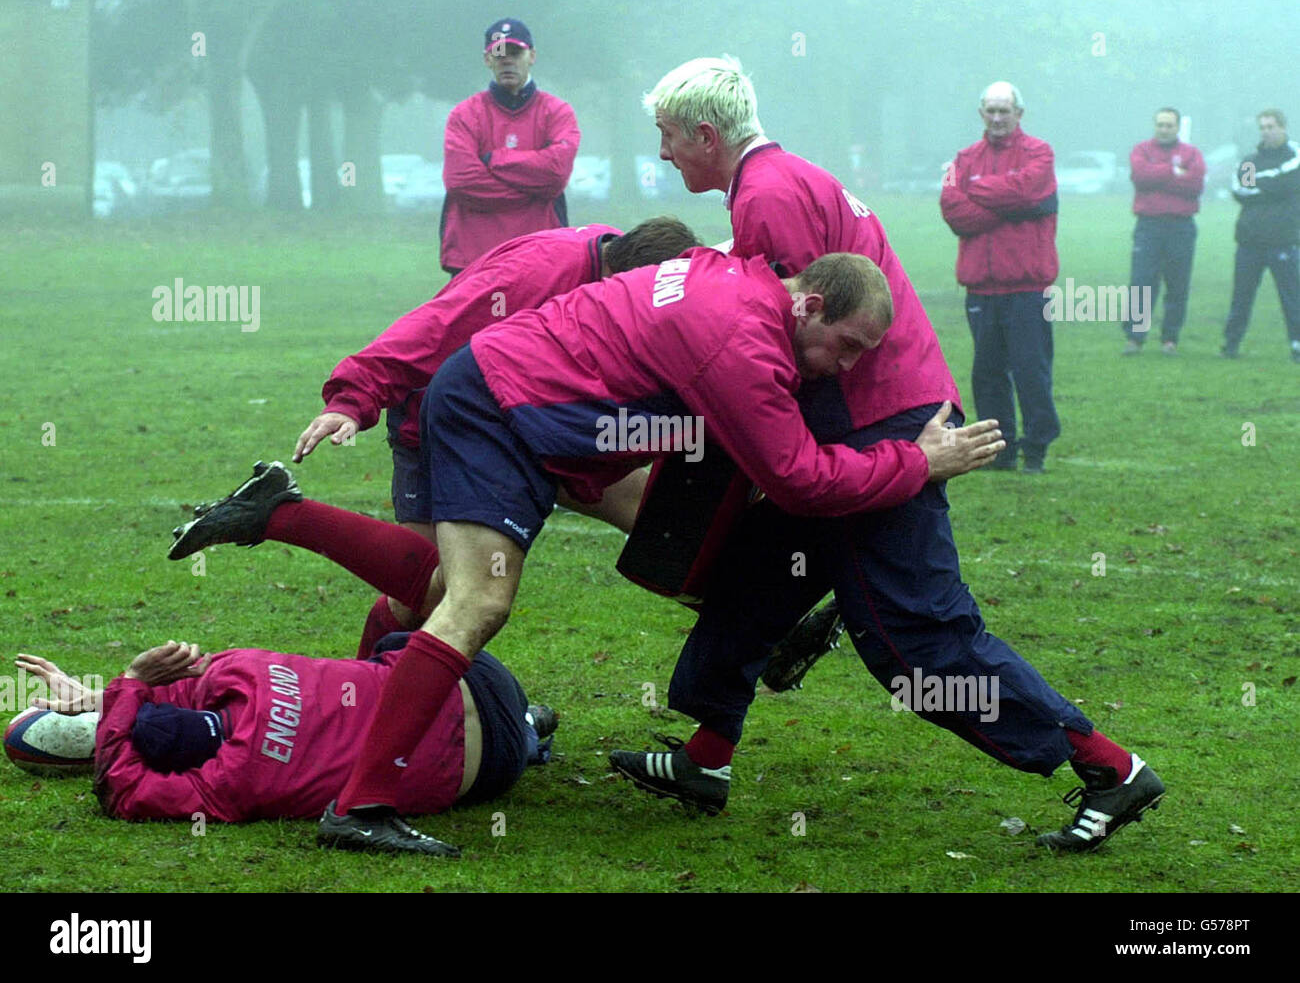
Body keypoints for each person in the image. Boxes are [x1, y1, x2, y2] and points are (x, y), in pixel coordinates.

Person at [607, 57, 1164, 854]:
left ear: (704, 133)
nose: (662, 153)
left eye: (666, 137)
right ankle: (705, 759)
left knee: (917, 643)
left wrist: (788, 450)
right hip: (873, 419)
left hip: (878, 425)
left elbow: (804, 342)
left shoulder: (768, 194)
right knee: (751, 578)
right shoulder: (777, 180)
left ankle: (1110, 766)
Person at [281, 246, 1004, 854]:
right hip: (499, 410)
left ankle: (355, 761)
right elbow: (800, 479)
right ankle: (360, 805)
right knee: (474, 600)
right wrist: (918, 463)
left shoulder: (736, 278)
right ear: (808, 303)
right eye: (845, 345)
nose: (845, 366)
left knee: (454, 588)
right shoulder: (741, 339)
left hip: (526, 411)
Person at [13, 507, 557, 839]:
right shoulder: (239, 672)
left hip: (494, 769)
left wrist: (111, 710)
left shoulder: (229, 786)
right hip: (477, 676)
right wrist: (123, 688)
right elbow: (172, 683)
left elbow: (122, 792)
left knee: (380, 676)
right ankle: (289, 517)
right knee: (394, 633)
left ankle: (531, 730)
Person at [290, 217, 700, 649]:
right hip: (439, 423)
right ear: (620, 280)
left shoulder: (621, 259)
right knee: (431, 592)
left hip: (526, 424)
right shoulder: (535, 274)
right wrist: (353, 397)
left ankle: (747, 632)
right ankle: (362, 688)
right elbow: (435, 327)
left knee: (659, 515)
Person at [940, 80, 1060, 474]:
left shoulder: (1039, 153)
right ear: (981, 113)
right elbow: (952, 208)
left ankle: (1037, 448)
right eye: (990, 111)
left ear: (1018, 114)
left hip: (1027, 288)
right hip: (981, 287)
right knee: (987, 373)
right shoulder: (962, 157)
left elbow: (1028, 190)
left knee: (1031, 371)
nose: (996, 118)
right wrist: (1009, 204)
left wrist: (976, 191)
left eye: (1003, 111)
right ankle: (1000, 451)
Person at [439, 18, 580, 276]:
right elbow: (461, 182)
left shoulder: (557, 112)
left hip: (540, 255)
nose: (507, 60)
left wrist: (495, 159)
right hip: (474, 258)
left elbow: (556, 173)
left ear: (532, 56)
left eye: (515, 52)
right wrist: (533, 191)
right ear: (487, 60)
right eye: (498, 53)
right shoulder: (464, 115)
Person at [1124, 108, 1206, 356]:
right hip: (1148, 226)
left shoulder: (1191, 153)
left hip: (1180, 227)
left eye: (1169, 125)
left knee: (1177, 283)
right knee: (1141, 282)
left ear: (1178, 127)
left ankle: (1170, 339)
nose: (1164, 129)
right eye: (1160, 124)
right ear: (1154, 125)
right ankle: (1135, 338)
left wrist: (1156, 174)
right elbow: (1140, 177)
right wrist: (1172, 171)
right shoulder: (1141, 150)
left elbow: (1195, 184)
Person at [1221, 109, 1300, 362]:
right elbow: (1240, 191)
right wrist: (1269, 188)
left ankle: (1297, 344)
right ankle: (1231, 343)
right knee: (1241, 296)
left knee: (1292, 296)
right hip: (1249, 241)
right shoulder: (1248, 161)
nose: (1266, 131)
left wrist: (1258, 186)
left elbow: (1288, 182)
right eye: (1262, 127)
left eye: (1271, 126)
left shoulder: (1294, 155)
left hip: (1282, 240)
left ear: (1283, 127)